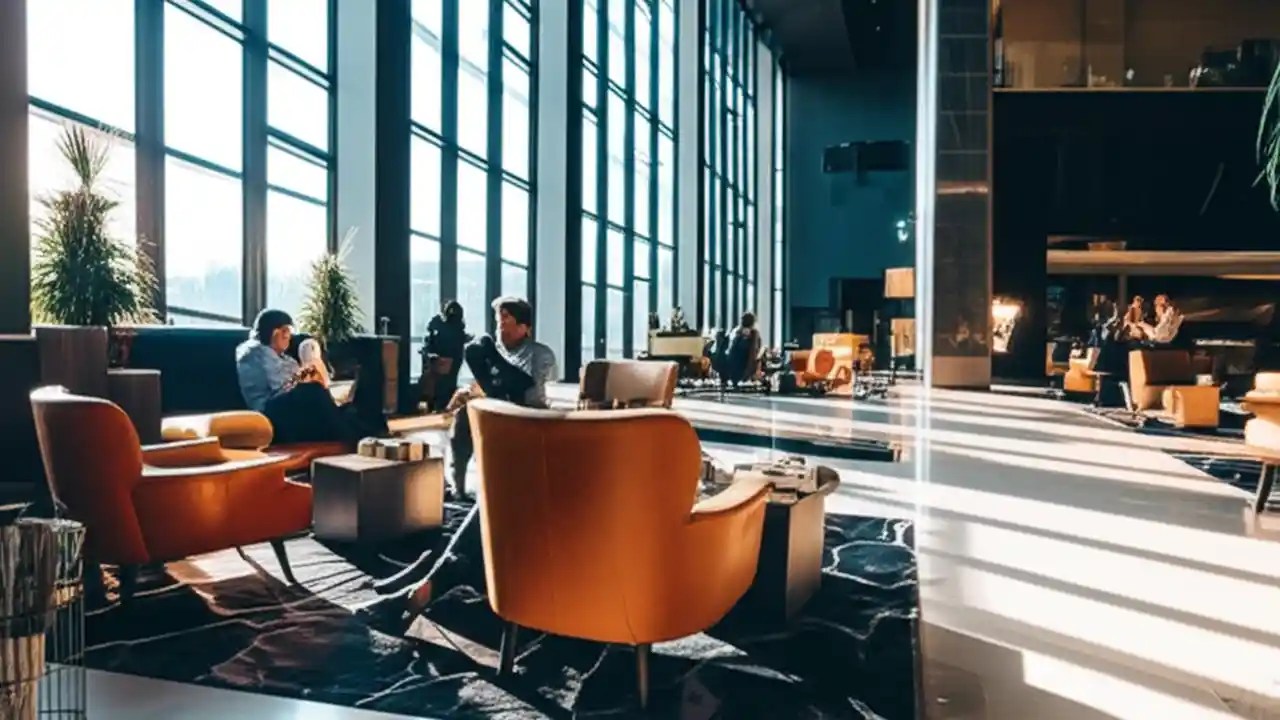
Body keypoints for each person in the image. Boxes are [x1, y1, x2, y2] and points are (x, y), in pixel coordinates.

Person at [360, 296, 556, 629]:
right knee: (491, 503)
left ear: (525, 327)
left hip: (524, 431)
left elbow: (529, 396)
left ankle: (425, 584)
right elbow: (488, 385)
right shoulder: (492, 352)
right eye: (498, 321)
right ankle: (430, 567)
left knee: (496, 506)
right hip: (500, 430)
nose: (500, 327)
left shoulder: (539, 355)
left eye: (506, 322)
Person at [235, 309, 384, 445]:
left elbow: (294, 381)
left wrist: (312, 378)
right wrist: (305, 378)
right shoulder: (254, 351)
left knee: (355, 393)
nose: (289, 336)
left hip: (291, 405)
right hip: (270, 411)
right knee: (314, 392)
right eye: (285, 330)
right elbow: (281, 386)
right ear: (273, 332)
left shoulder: (284, 357)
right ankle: (351, 435)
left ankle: (370, 428)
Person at [420, 300, 470, 412]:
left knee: (445, 383)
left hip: (448, 358)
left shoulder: (440, 323)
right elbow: (429, 340)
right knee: (444, 383)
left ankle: (441, 405)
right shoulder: (440, 323)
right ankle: (441, 405)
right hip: (443, 358)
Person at [724, 311, 762, 383]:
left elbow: (731, 349)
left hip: (735, 363)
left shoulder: (737, 332)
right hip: (745, 363)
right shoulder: (753, 333)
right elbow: (753, 351)